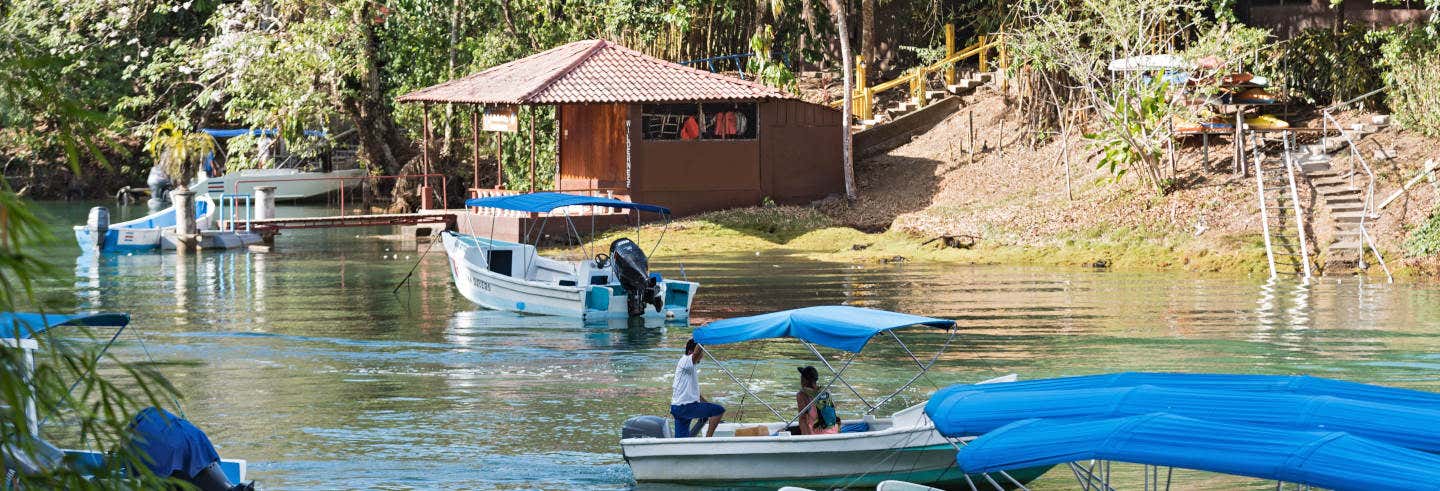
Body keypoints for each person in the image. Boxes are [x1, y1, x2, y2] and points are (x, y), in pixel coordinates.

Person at [670, 338, 725, 437]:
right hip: (685, 407)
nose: (702, 356)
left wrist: (706, 404)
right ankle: (708, 440)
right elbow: (695, 354)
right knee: (718, 410)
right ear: (691, 351)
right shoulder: (685, 360)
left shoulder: (689, 367)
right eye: (701, 352)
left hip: (677, 408)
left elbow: (695, 395)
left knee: (681, 441)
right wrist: (702, 338)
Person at [796, 366, 840, 435]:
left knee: (784, 430)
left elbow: (803, 419)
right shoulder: (826, 392)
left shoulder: (802, 394)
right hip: (834, 431)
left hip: (816, 434)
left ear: (804, 380)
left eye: (801, 377)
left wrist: (806, 438)